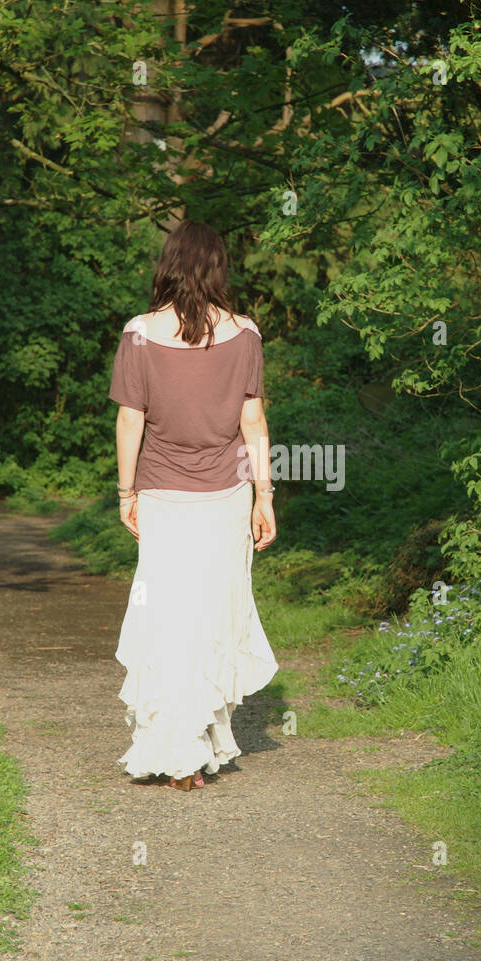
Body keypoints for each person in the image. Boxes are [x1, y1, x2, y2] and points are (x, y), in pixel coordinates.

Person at [108, 220, 278, 792]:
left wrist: (126, 493)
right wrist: (264, 495)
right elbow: (251, 422)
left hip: (161, 494)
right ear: (218, 268)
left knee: (168, 617)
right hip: (226, 496)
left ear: (169, 264)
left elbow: (130, 419)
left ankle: (173, 745)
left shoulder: (138, 334)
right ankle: (197, 744)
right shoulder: (246, 334)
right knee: (209, 616)